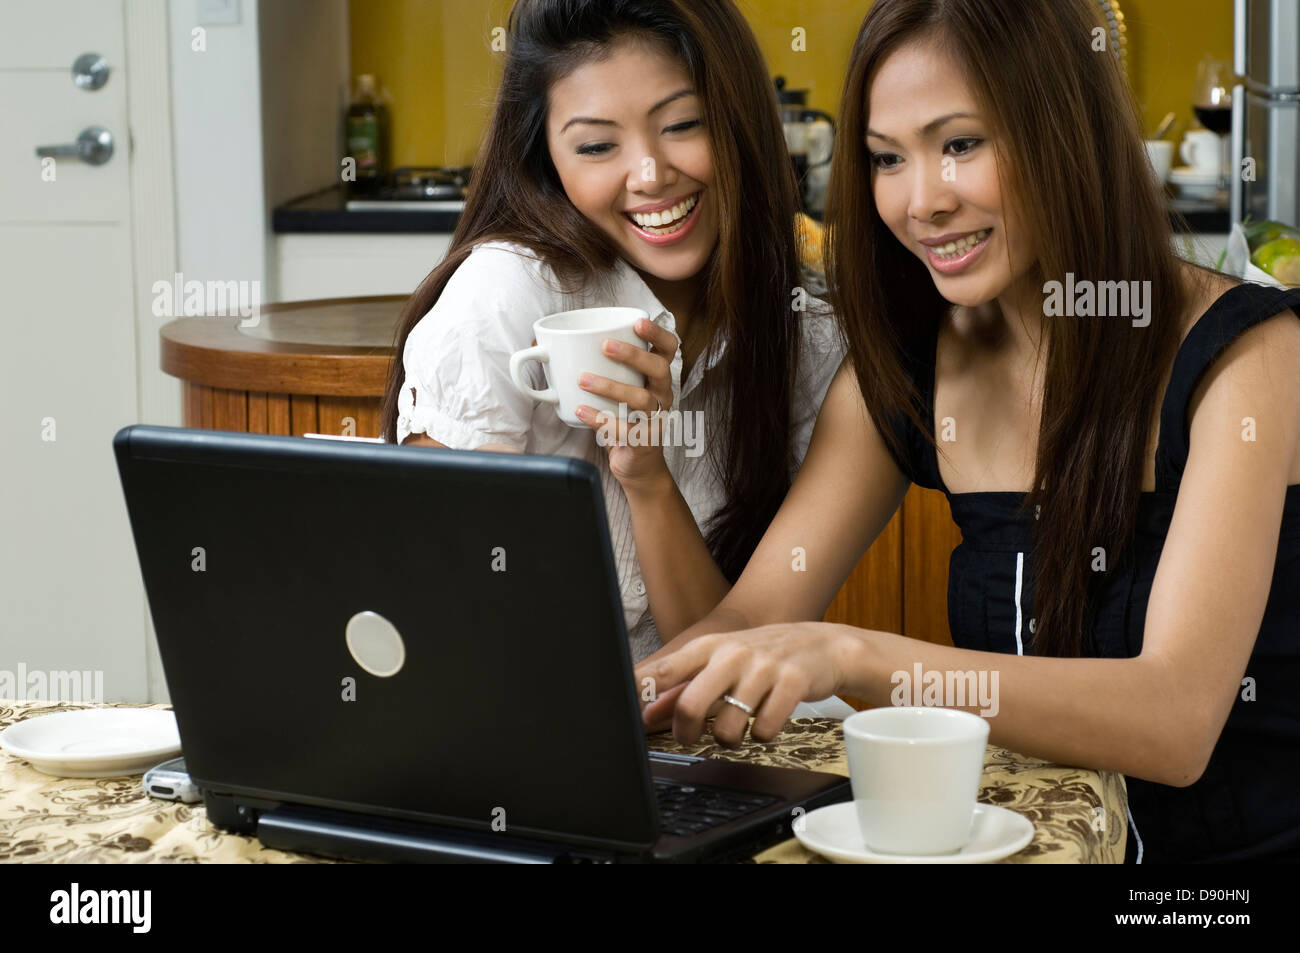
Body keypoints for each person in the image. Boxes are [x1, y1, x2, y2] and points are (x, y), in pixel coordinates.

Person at [636, 0, 1300, 862]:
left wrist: (857, 656)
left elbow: (1175, 720)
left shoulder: (1248, 354)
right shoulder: (909, 365)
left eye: (960, 144)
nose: (921, 203)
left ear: (1066, 129)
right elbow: (756, 614)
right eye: (885, 159)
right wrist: (614, 696)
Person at [379, 0, 848, 690]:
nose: (651, 174)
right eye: (598, 146)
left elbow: (723, 674)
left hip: (704, 751)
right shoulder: (509, 294)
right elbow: (437, 619)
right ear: (550, 161)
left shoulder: (805, 335)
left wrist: (646, 478)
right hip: (522, 743)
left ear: (741, 121)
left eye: (683, 125)